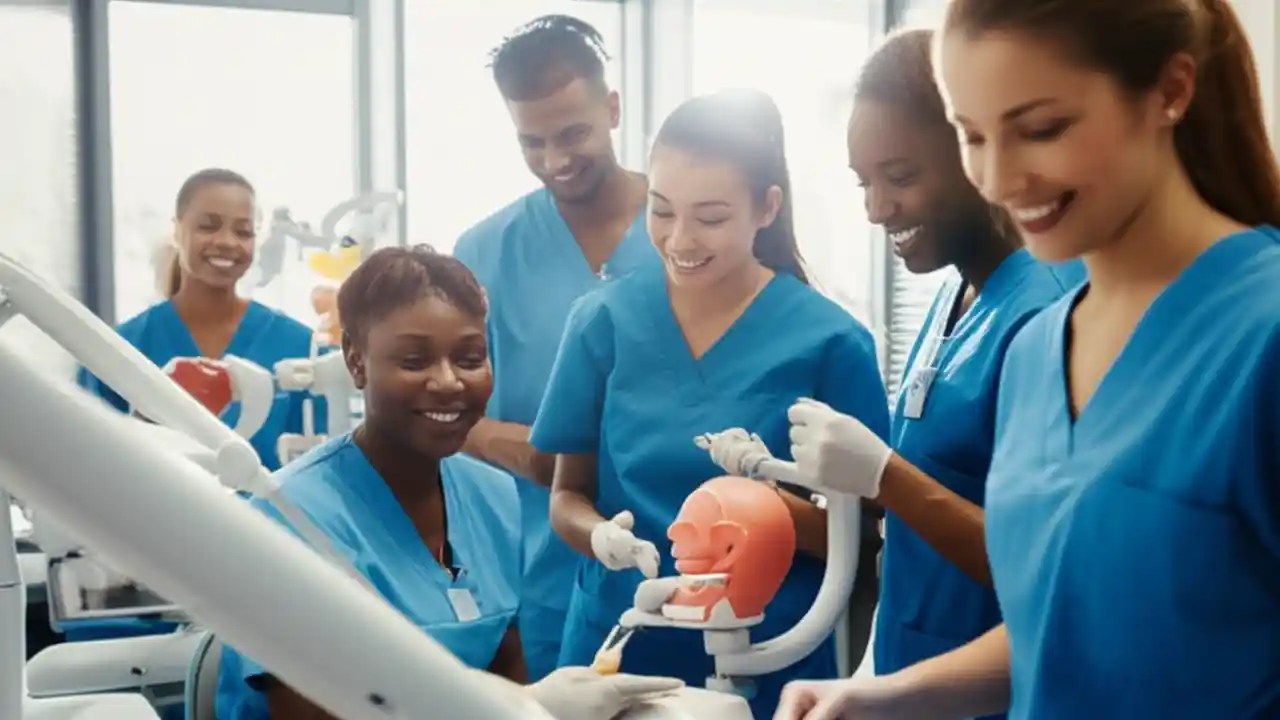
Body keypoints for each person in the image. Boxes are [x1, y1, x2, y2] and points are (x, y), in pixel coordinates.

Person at [776, 1, 1280, 718]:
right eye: (973, 136)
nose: (999, 179)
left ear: (1170, 91)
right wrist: (876, 696)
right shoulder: (1039, 353)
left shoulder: (1260, 334)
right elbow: (1062, 628)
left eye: (1041, 130)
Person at [531, 88, 891, 718]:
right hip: (619, 641)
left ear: (766, 208)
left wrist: (762, 514)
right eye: (661, 210)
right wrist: (600, 537)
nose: (680, 239)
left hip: (769, 654)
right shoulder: (602, 322)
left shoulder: (830, 342)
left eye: (711, 217)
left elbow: (864, 533)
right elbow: (567, 498)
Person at [216, 246, 681, 720]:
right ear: (356, 360)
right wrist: (526, 706)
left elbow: (507, 675)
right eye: (414, 361)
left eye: (470, 358)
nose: (448, 381)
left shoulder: (493, 496)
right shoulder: (290, 516)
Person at [787, 28, 1084, 703]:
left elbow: (1041, 565)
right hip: (909, 674)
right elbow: (938, 485)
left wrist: (884, 475)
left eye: (900, 177)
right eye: (864, 183)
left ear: (974, 149)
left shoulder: (1046, 313)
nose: (876, 209)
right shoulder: (953, 295)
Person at [452, 14, 659, 681]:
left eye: (573, 134)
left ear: (613, 108)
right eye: (532, 142)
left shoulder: (686, 231)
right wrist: (525, 449)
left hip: (684, 569)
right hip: (540, 583)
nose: (555, 161)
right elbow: (442, 411)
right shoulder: (484, 253)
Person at [79, 168, 320, 473]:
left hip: (268, 507)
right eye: (208, 226)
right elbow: (88, 465)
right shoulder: (117, 351)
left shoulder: (302, 350)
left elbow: (323, 468)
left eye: (243, 232)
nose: (227, 241)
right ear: (177, 230)